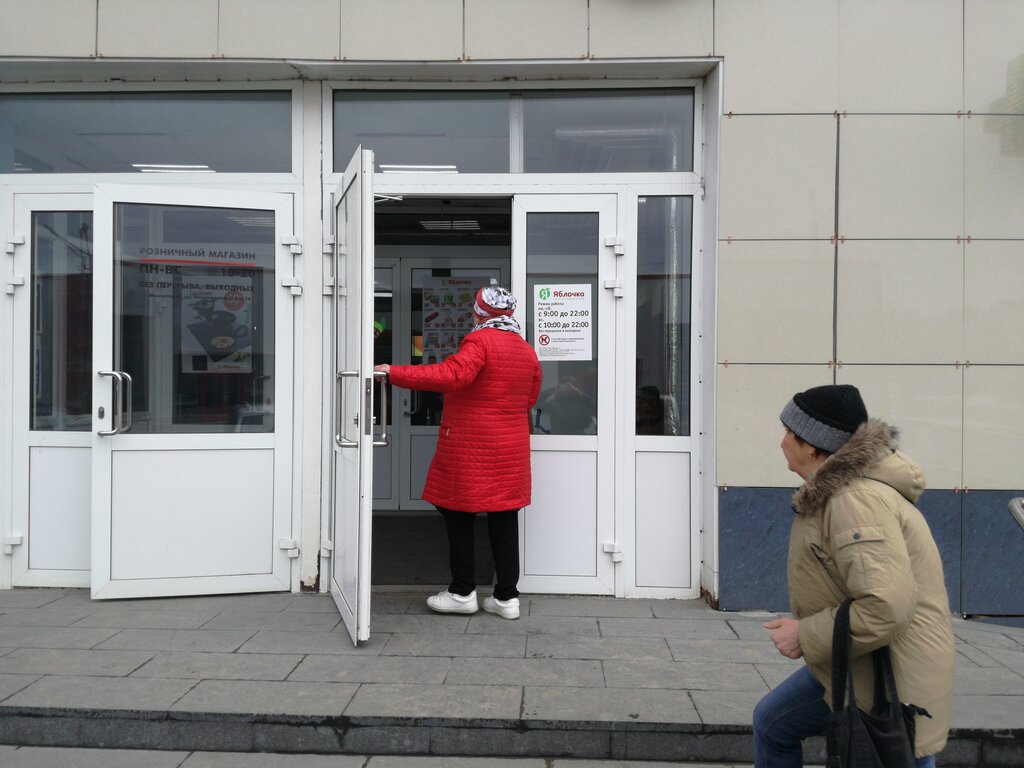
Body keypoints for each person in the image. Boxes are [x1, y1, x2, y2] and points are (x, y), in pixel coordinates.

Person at [754, 384, 954, 768]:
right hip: (861, 661)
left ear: (812, 446)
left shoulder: (854, 501)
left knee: (897, 752)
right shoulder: (842, 493)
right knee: (772, 723)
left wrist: (804, 634)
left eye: (788, 433)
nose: (781, 443)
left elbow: (885, 606)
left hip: (889, 677)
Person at [373, 286, 541, 620]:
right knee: (503, 518)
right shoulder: (525, 349)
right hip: (511, 447)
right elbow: (530, 398)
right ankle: (507, 597)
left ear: (480, 312)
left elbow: (453, 375)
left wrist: (393, 373)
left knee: (458, 513)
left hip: (472, 445)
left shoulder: (480, 341)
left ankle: (463, 592)